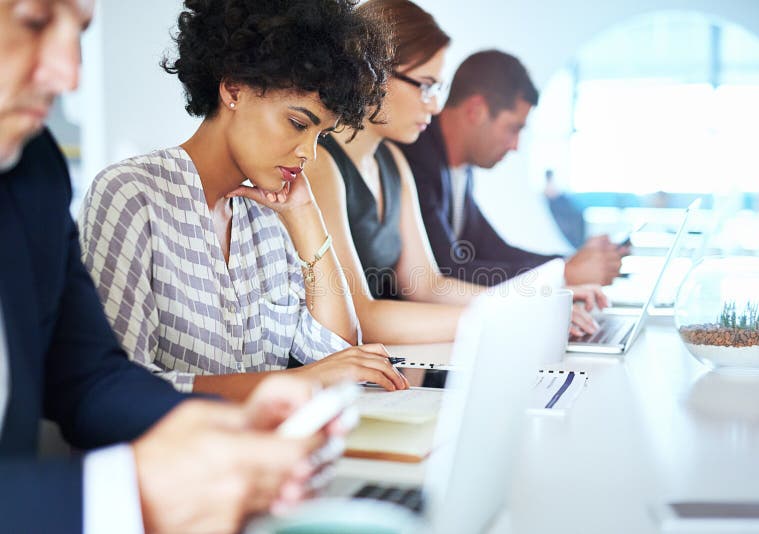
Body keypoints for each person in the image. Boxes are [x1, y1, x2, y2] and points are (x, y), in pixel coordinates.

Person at [0, 1, 350, 532]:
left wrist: (220, 425)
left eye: (81, 31)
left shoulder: (32, 172)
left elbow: (89, 378)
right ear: (231, 90)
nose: (69, 73)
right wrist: (130, 491)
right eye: (33, 21)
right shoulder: (130, 191)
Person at [79, 0, 409, 400]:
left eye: (320, 135)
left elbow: (337, 356)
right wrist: (295, 381)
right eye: (298, 123)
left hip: (267, 455)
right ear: (233, 89)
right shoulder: (131, 193)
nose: (309, 153)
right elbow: (119, 389)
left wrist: (305, 217)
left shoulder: (273, 213)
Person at [306, 0, 604, 343]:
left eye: (438, 89)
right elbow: (362, 316)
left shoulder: (393, 164)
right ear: (372, 73)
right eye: (425, 85)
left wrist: (537, 301)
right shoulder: (321, 165)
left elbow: (429, 284)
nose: (434, 105)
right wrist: (508, 319)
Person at [401, 50, 625, 289]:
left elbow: (494, 251)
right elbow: (448, 270)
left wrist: (569, 263)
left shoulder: (460, 169)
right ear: (475, 110)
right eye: (513, 128)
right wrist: (563, 274)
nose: (516, 145)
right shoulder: (416, 158)